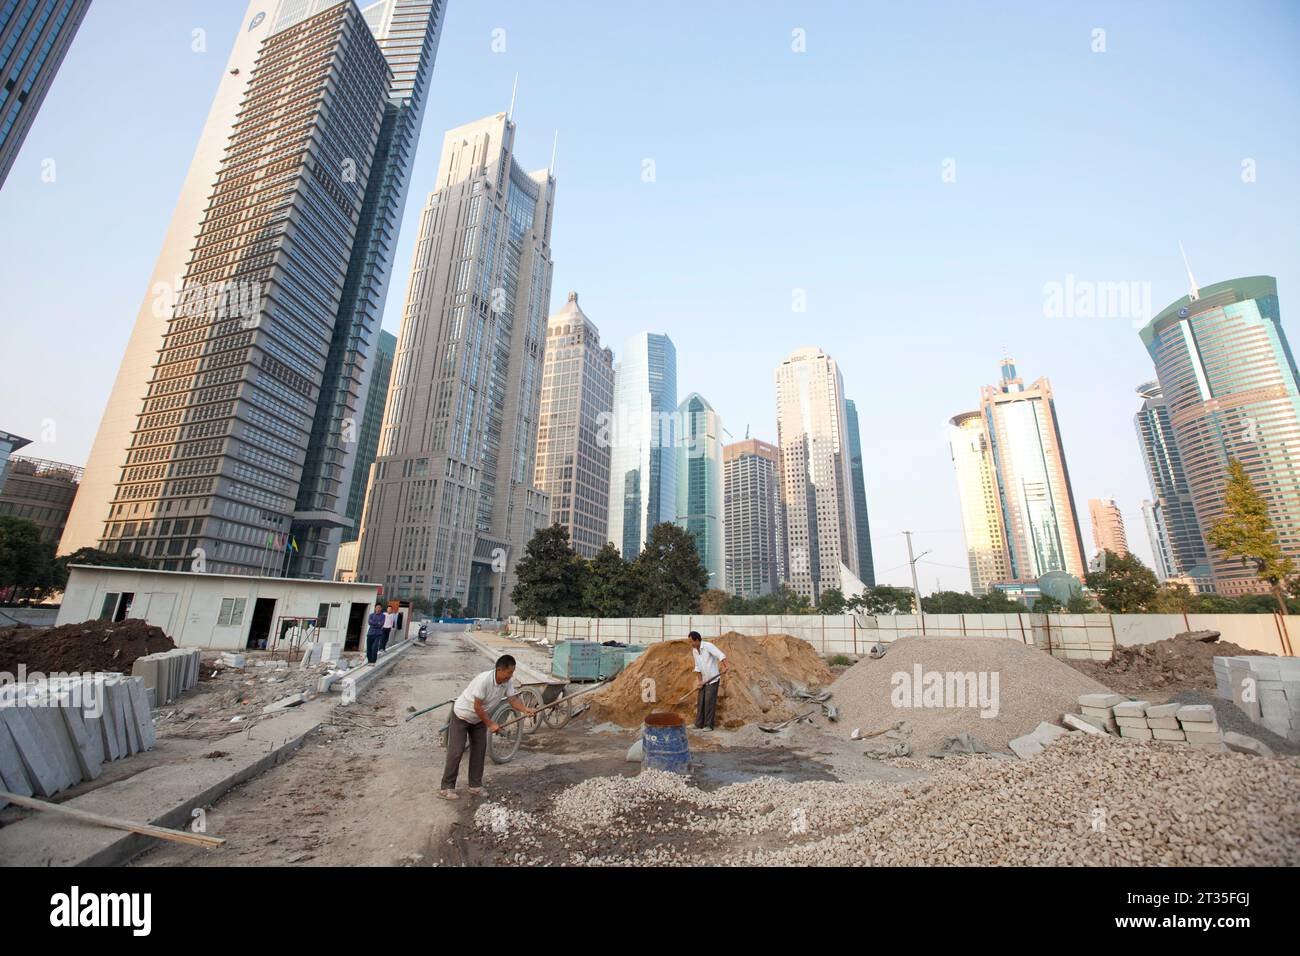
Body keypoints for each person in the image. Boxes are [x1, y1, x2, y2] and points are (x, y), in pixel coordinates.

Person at [439, 655, 537, 800]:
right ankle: (446, 788)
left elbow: (512, 699)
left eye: (512, 672)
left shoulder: (507, 681)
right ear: (499, 669)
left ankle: (475, 786)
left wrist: (524, 709)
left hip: (479, 719)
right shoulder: (483, 680)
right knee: (456, 751)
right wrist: (490, 724)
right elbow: (477, 706)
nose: (511, 675)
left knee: (479, 751)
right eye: (509, 672)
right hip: (462, 715)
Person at [689, 631, 729, 731]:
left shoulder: (708, 646)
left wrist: (726, 666)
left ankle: (708, 725)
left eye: (691, 642)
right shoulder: (694, 651)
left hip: (713, 680)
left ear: (697, 640)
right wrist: (700, 681)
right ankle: (698, 724)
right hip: (704, 680)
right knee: (701, 701)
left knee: (709, 702)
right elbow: (697, 667)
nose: (691, 644)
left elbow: (720, 655)